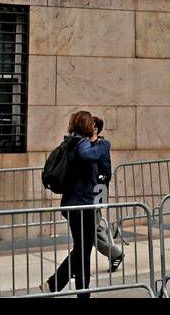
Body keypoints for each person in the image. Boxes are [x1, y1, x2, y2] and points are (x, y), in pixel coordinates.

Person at [45, 110, 112, 297]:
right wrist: (105, 144)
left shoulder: (70, 141)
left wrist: (101, 201)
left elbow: (104, 176)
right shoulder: (85, 145)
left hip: (74, 203)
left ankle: (80, 292)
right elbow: (98, 166)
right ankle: (54, 283)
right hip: (83, 204)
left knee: (82, 250)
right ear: (89, 127)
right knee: (83, 249)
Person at [90, 116, 125, 272]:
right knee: (92, 229)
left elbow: (105, 173)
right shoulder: (86, 145)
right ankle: (115, 254)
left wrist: (99, 196)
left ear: (95, 128)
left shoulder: (101, 146)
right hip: (90, 192)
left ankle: (115, 254)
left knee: (91, 228)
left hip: (98, 190)